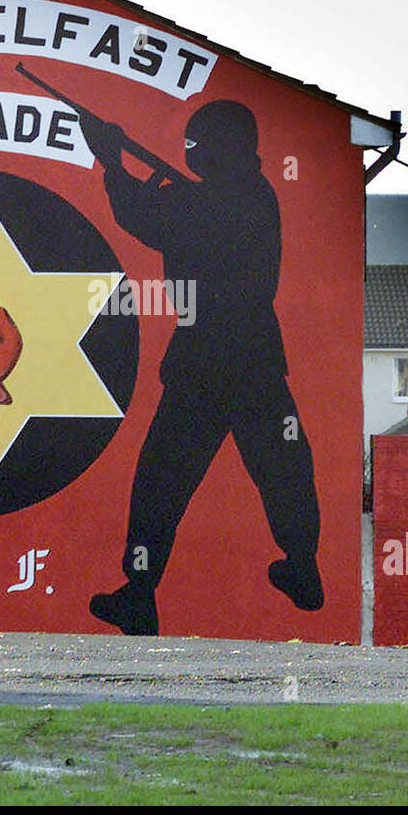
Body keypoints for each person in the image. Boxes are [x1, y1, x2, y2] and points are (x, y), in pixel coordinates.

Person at [79, 100, 324, 636]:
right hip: (256, 356)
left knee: (161, 482)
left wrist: (111, 162)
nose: (189, 152)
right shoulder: (255, 197)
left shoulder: (216, 203)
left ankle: (141, 593)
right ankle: (302, 565)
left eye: (197, 144)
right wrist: (128, 169)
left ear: (218, 147)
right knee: (284, 466)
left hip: (205, 360)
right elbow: (165, 212)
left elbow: (146, 218)